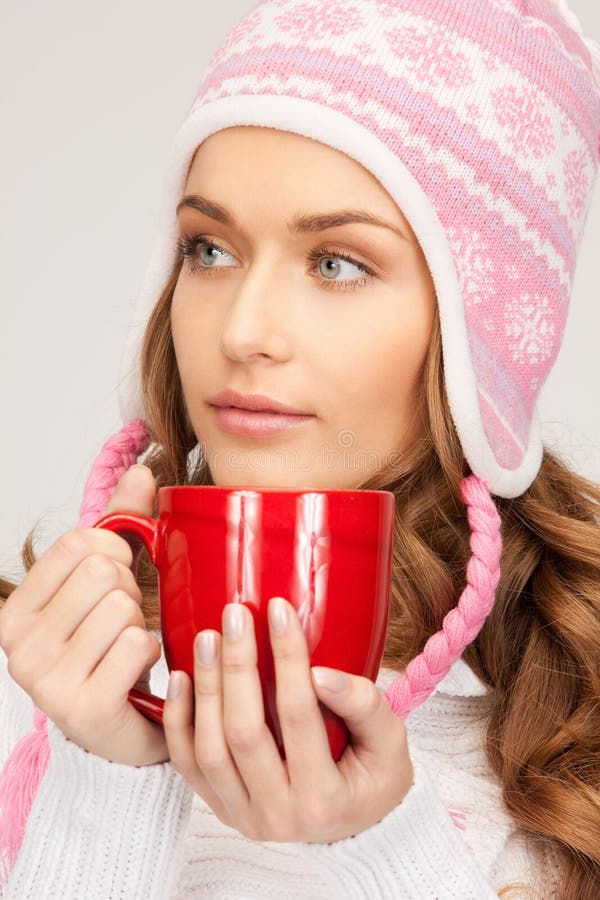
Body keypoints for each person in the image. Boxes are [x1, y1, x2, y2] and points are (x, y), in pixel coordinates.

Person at [1, 0, 599, 896]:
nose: (243, 331)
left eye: (337, 263)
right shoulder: (48, 675)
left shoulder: (567, 756)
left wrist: (383, 850)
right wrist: (110, 782)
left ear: (483, 341)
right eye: (208, 249)